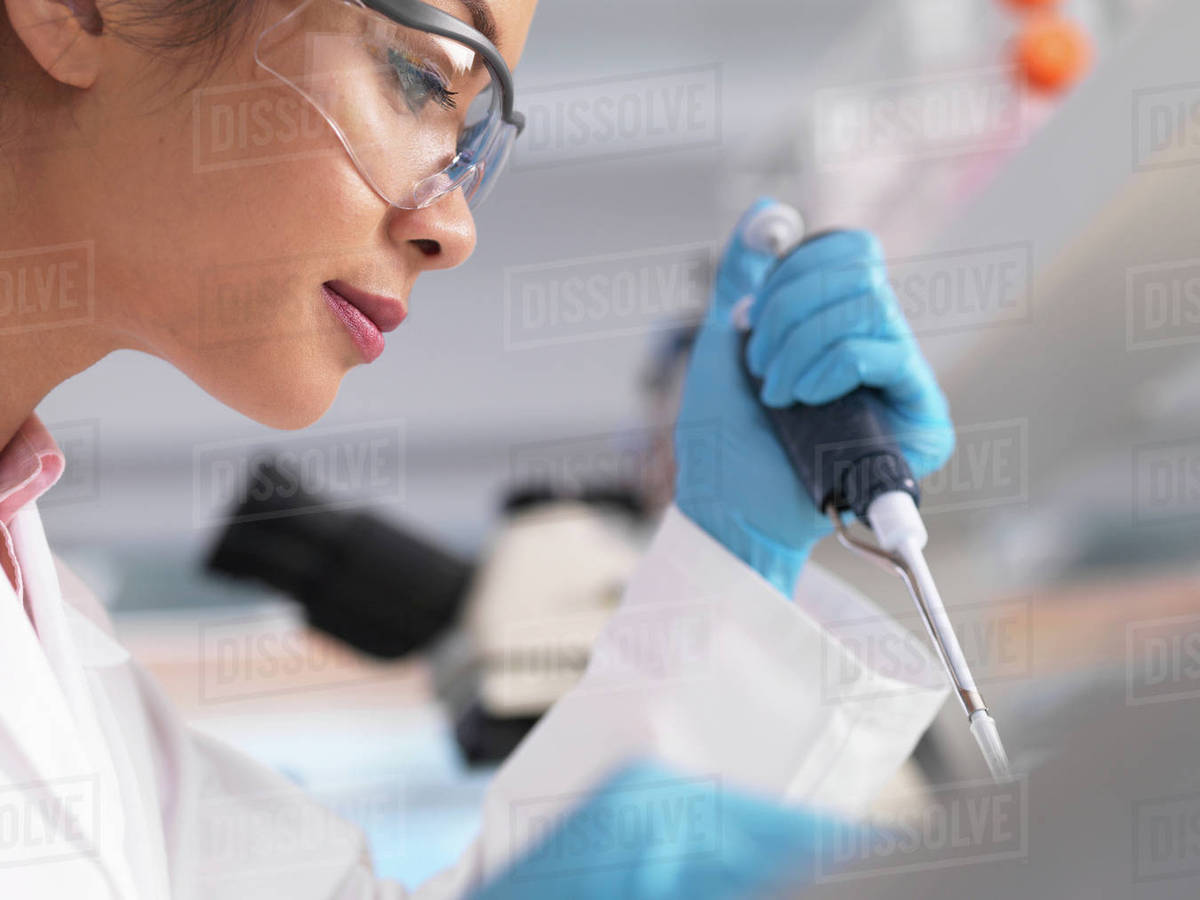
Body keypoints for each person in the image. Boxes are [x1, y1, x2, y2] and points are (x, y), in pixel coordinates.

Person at [0, 0, 956, 896]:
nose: (455, 228)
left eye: (470, 140)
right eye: (423, 77)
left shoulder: (78, 686)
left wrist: (736, 559)